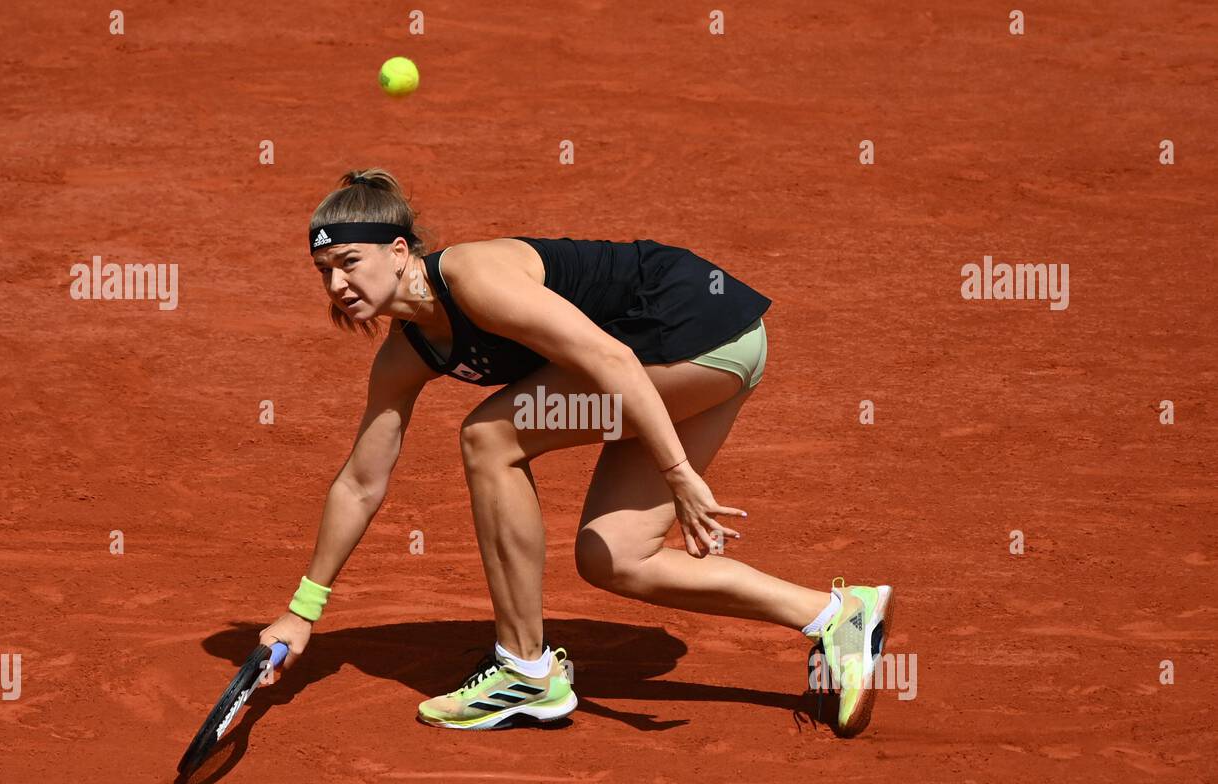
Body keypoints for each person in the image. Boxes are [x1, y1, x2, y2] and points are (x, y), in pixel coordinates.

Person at [259, 167, 893, 737]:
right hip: (691, 357)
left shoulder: (472, 277)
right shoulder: (405, 355)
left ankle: (523, 670)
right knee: (615, 557)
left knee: (489, 434)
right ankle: (835, 615)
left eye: (349, 262)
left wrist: (679, 474)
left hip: (692, 328)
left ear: (399, 252)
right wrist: (302, 611)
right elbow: (361, 483)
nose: (338, 284)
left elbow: (610, 358)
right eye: (325, 272)